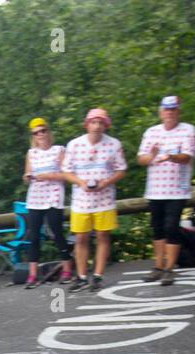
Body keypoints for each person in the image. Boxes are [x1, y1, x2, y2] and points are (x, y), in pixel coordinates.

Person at [62, 108, 127, 292]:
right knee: (80, 237)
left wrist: (105, 182)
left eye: (101, 123)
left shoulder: (114, 144)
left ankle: (97, 275)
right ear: (87, 124)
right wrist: (80, 182)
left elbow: (121, 169)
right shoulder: (74, 145)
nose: (97, 126)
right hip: (81, 200)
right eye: (94, 122)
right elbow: (66, 171)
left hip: (104, 199)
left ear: (106, 125)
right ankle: (81, 276)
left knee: (102, 236)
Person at [137, 96, 195, 285]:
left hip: (177, 189)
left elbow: (187, 156)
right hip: (155, 189)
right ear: (161, 112)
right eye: (166, 109)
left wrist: (171, 156)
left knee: (172, 227)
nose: (169, 113)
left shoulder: (188, 130)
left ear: (178, 111)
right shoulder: (151, 132)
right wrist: (152, 155)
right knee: (157, 229)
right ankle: (158, 266)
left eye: (173, 109)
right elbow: (141, 160)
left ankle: (170, 268)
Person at [22, 118, 72, 288]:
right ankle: (32, 273)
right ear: (33, 136)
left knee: (57, 232)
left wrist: (48, 176)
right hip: (35, 197)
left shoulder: (59, 150)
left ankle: (67, 268)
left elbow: (66, 175)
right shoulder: (31, 153)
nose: (40, 135)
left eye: (43, 131)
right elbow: (26, 175)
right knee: (34, 235)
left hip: (53, 195)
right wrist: (28, 178)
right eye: (36, 133)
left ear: (48, 132)